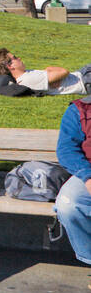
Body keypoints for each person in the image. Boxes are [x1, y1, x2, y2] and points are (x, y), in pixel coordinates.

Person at [54, 94, 91, 276]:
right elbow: (67, 150)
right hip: (89, 171)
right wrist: (88, 177)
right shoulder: (79, 110)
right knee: (68, 203)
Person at [0, 49, 89, 97]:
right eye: (15, 58)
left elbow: (58, 72)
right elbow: (64, 71)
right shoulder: (28, 79)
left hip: (81, 74)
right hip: (84, 82)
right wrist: (50, 70)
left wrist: (49, 71)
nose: (19, 58)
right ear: (10, 66)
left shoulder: (26, 74)